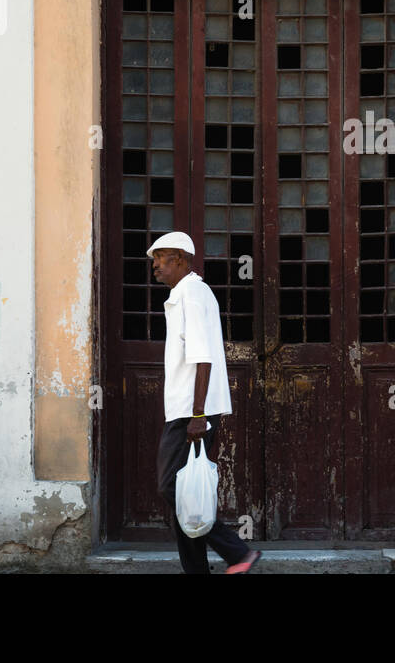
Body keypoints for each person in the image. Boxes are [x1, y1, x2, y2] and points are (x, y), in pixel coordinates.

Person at [147, 231, 261, 574]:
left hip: (191, 412)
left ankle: (237, 552)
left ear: (180, 259)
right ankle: (197, 570)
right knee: (185, 493)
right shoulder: (186, 293)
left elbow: (203, 357)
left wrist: (198, 414)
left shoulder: (191, 295)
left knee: (173, 488)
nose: (155, 266)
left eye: (161, 258)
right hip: (187, 409)